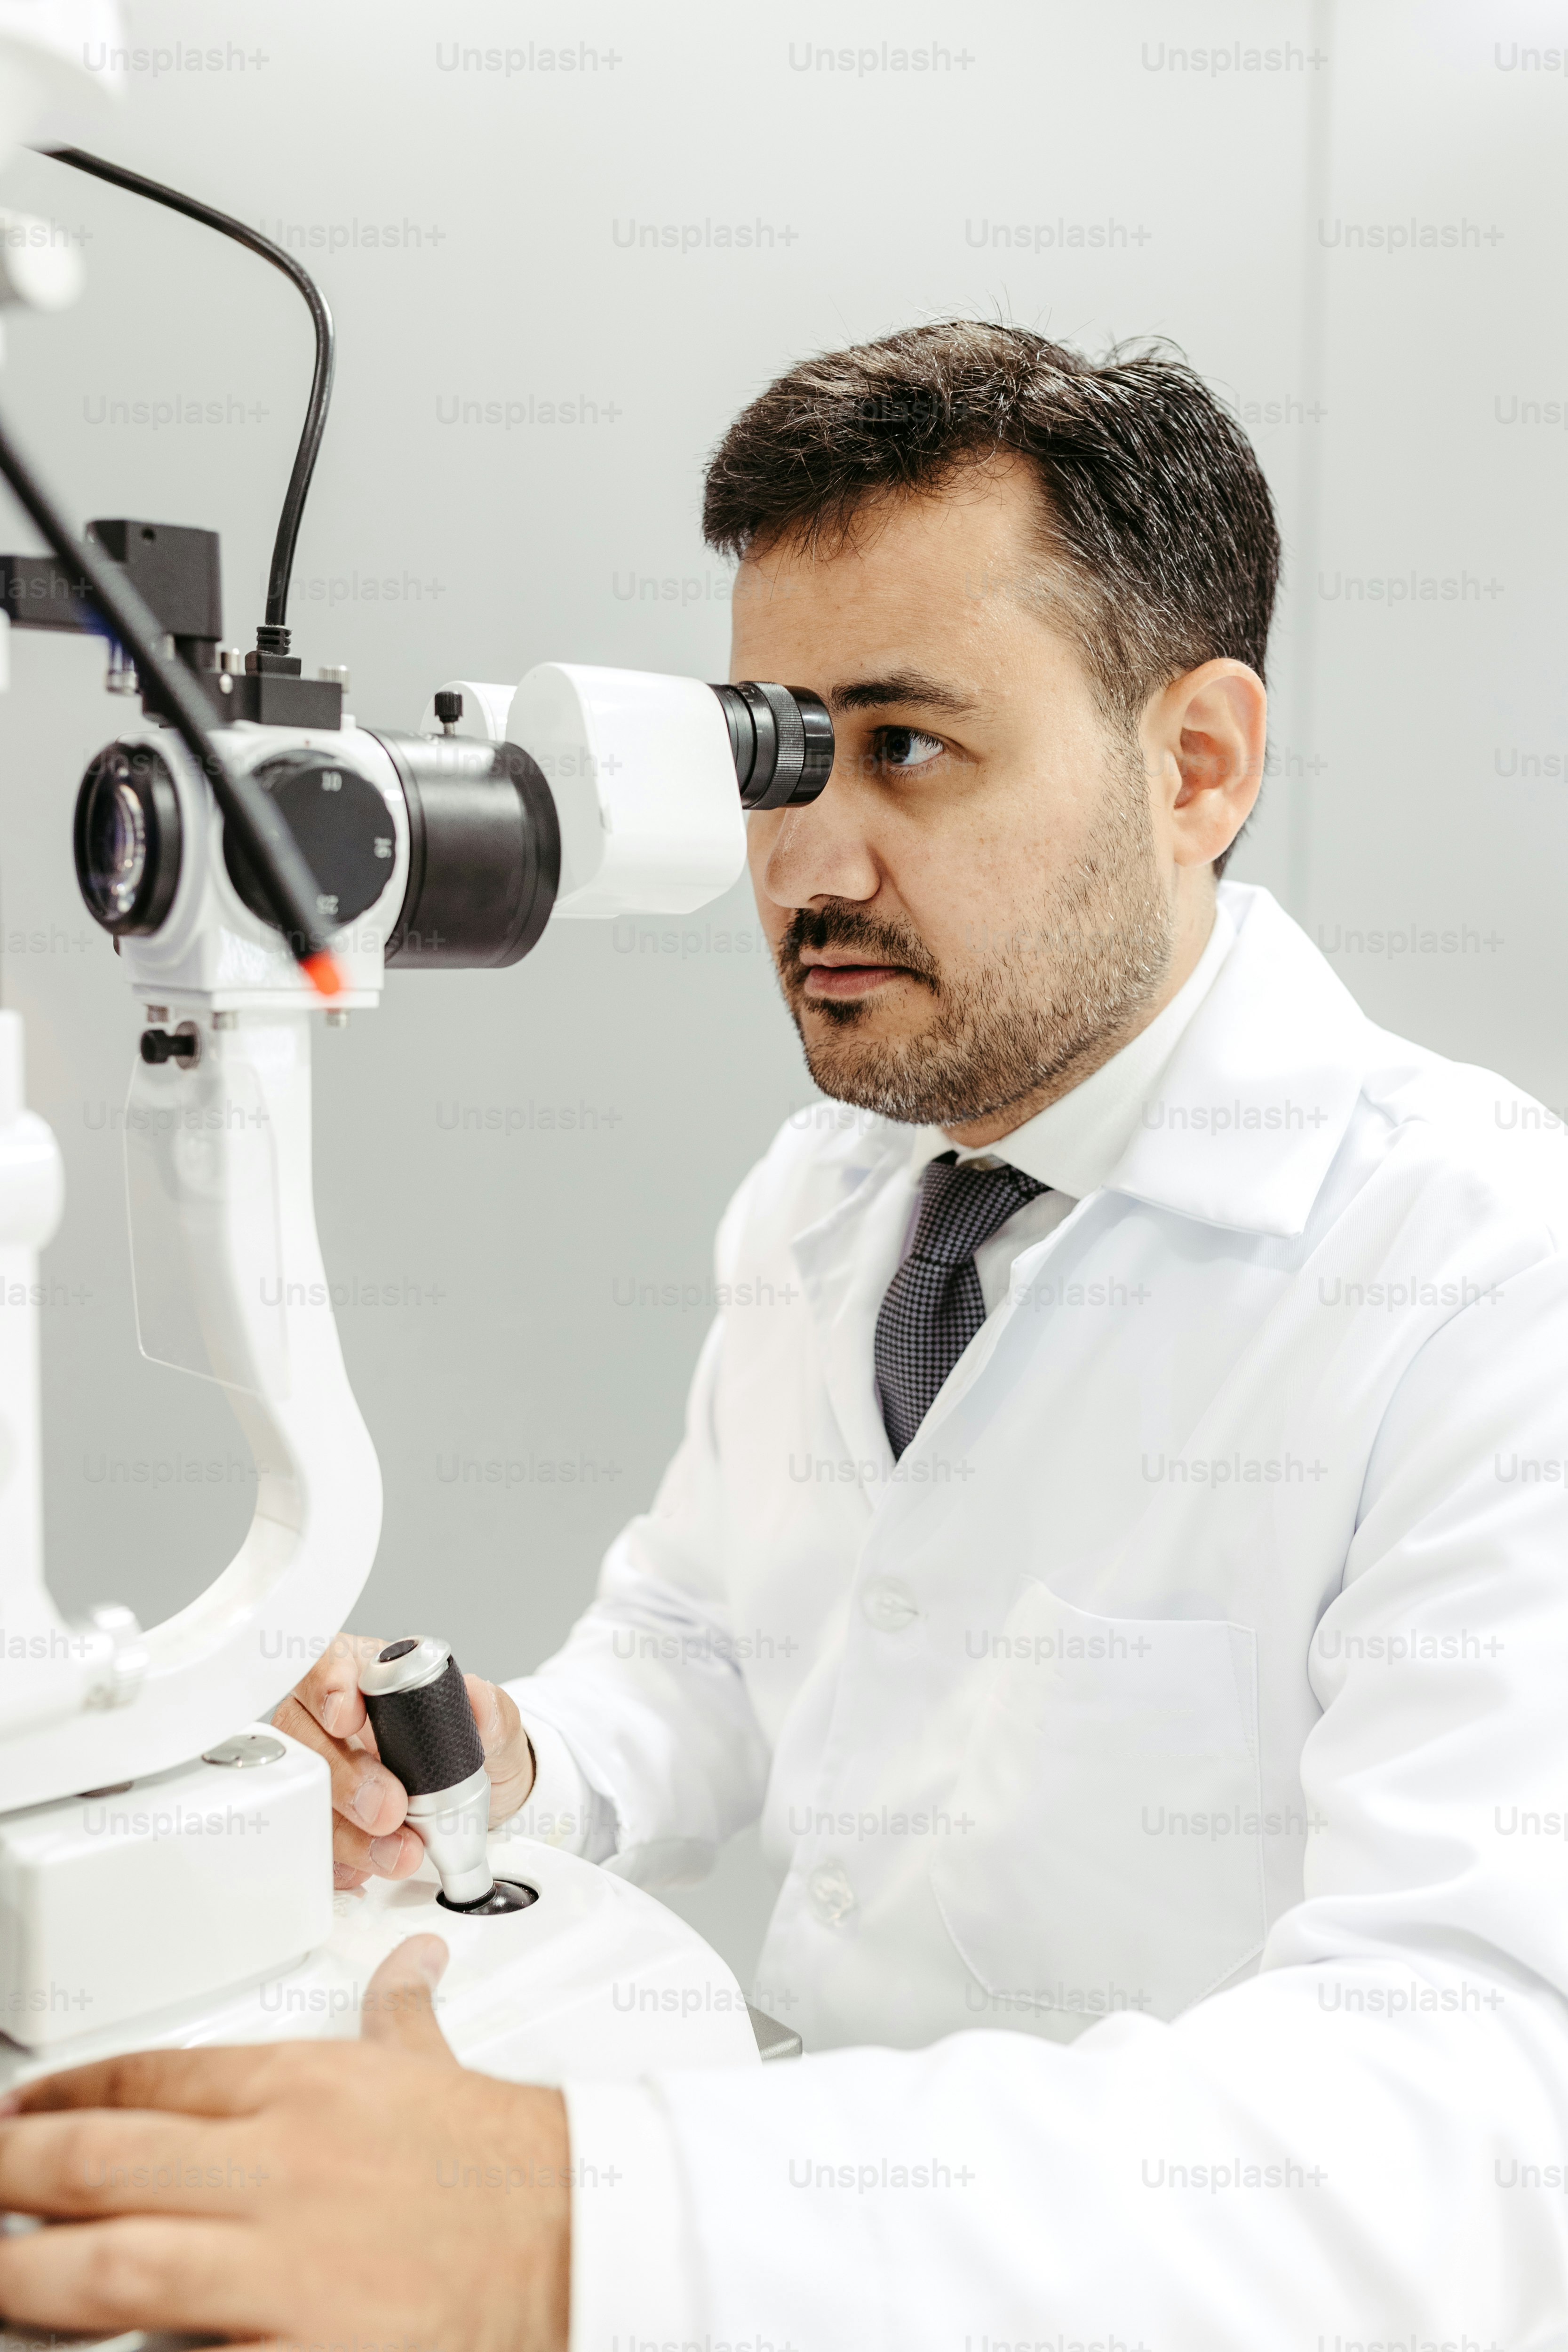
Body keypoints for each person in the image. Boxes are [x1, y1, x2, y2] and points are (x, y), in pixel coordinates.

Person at [4, 320, 1567, 2350]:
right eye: (775, 747)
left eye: (908, 745)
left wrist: (576, 2224)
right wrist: (516, 1751)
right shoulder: (839, 1194)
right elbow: (715, 1649)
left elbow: (1472, 2120)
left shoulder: (1476, 1273)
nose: (809, 861)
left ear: (1197, 764)